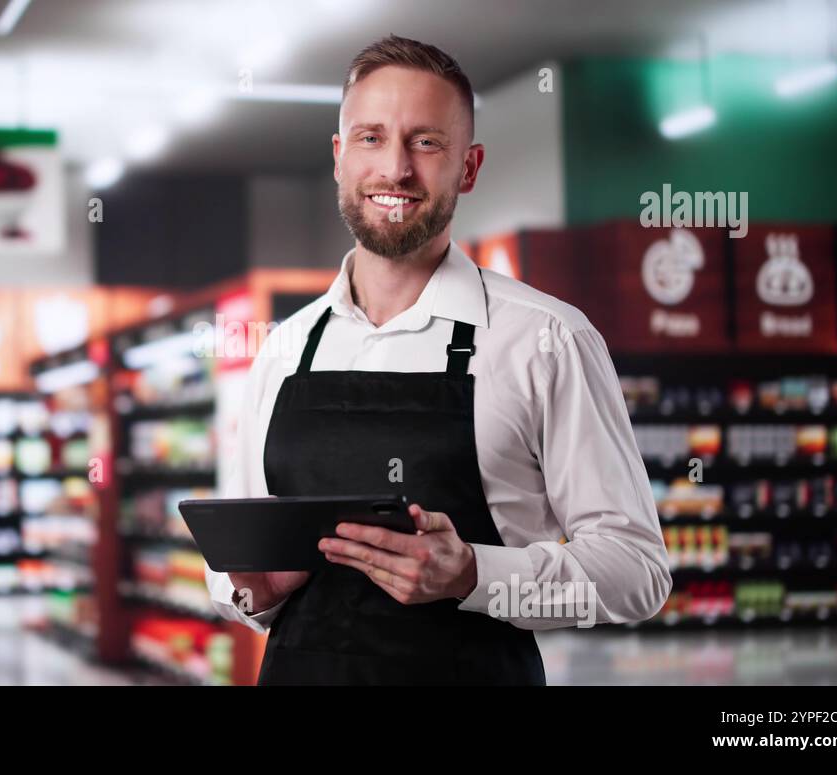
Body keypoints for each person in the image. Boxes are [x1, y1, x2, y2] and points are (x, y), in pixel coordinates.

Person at [205, 35, 672, 685]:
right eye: (370, 137)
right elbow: (236, 564)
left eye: (426, 142)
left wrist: (477, 574)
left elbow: (637, 572)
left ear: (469, 167)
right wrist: (255, 588)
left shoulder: (546, 339)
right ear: (340, 158)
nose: (395, 168)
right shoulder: (285, 348)